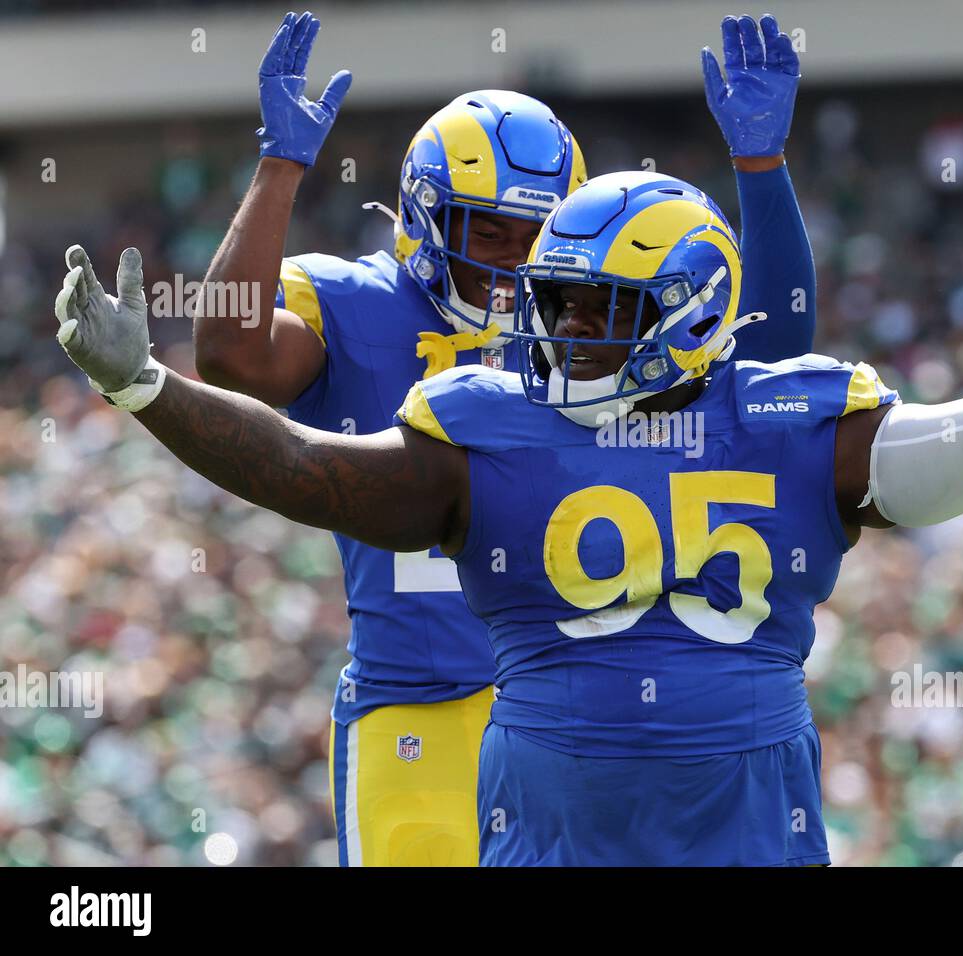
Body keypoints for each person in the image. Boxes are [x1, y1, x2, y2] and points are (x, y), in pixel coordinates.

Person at [54, 163, 963, 864]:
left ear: (688, 314)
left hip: (743, 818)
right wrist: (145, 385)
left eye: (593, 309)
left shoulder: (798, 422)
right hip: (556, 822)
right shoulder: (484, 423)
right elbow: (304, 465)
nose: (556, 331)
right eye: (555, 303)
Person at [189, 11, 815, 865]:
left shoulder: (601, 335)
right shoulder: (357, 303)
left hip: (577, 712)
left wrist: (762, 170)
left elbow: (772, 349)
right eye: (487, 229)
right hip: (421, 705)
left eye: (535, 232)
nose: (511, 259)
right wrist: (280, 165)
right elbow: (230, 355)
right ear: (423, 213)